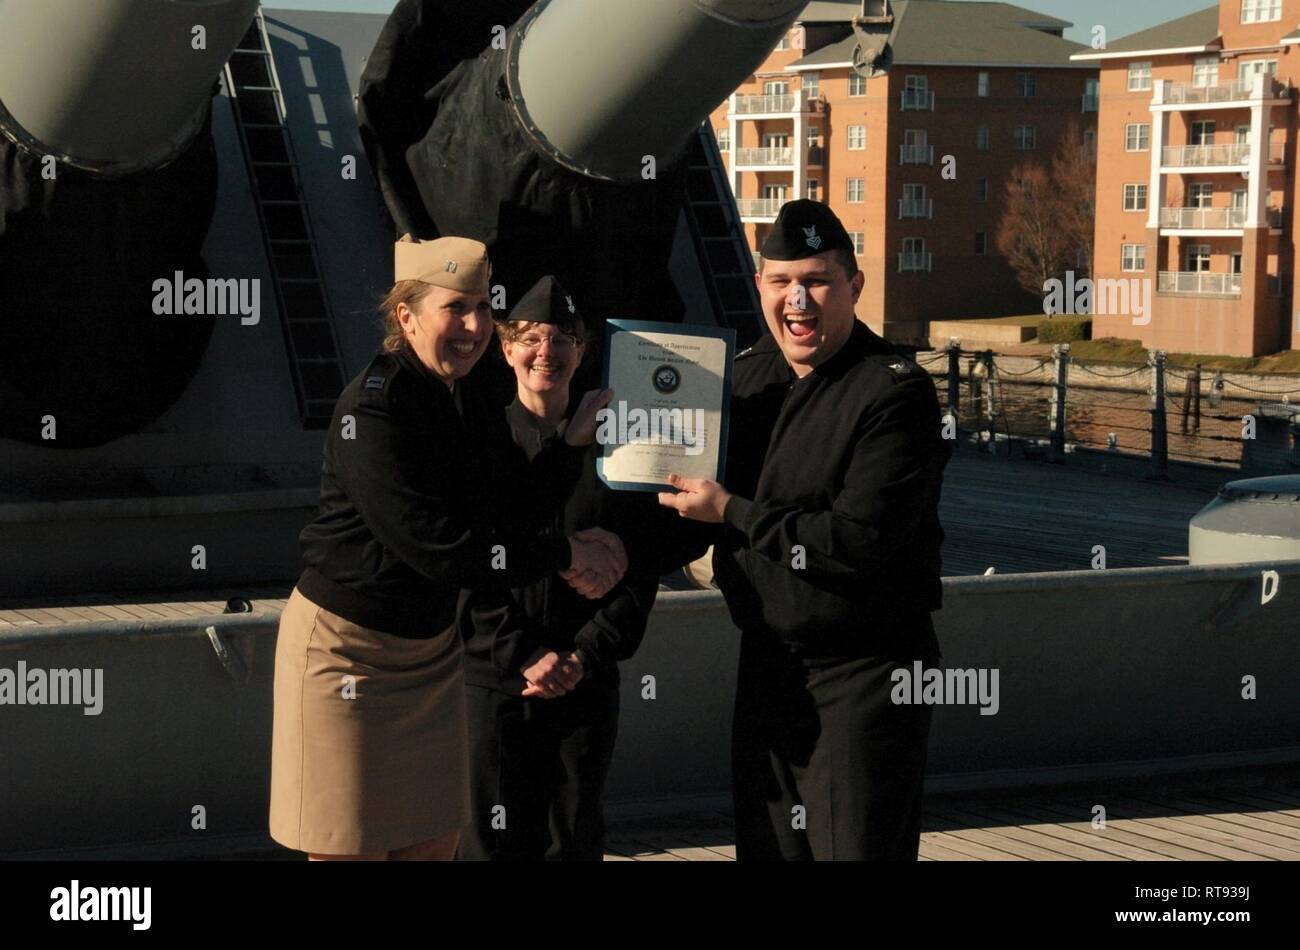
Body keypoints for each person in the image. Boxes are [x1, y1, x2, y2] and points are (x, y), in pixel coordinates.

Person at [269, 235, 627, 862]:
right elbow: (441, 546)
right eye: (454, 309)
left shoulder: (469, 399)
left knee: (432, 843)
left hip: (431, 655)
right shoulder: (374, 409)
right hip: (347, 654)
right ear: (405, 316)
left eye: (484, 309)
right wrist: (566, 555)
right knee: (346, 849)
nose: (473, 326)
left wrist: (567, 449)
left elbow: (504, 507)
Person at [658, 200, 950, 861]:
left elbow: (859, 543)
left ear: (854, 286)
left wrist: (731, 510)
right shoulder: (748, 379)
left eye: (817, 280)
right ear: (760, 287)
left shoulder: (893, 394)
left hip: (865, 673)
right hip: (769, 664)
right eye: (782, 282)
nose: (799, 301)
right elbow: (677, 501)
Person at [457, 275, 699, 861]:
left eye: (564, 337)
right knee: (492, 843)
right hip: (497, 681)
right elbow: (466, 564)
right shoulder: (477, 443)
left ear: (585, 352)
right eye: (532, 337)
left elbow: (635, 565)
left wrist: (584, 654)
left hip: (583, 679)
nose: (549, 352)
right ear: (506, 348)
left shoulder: (619, 453)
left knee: (574, 838)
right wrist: (521, 653)